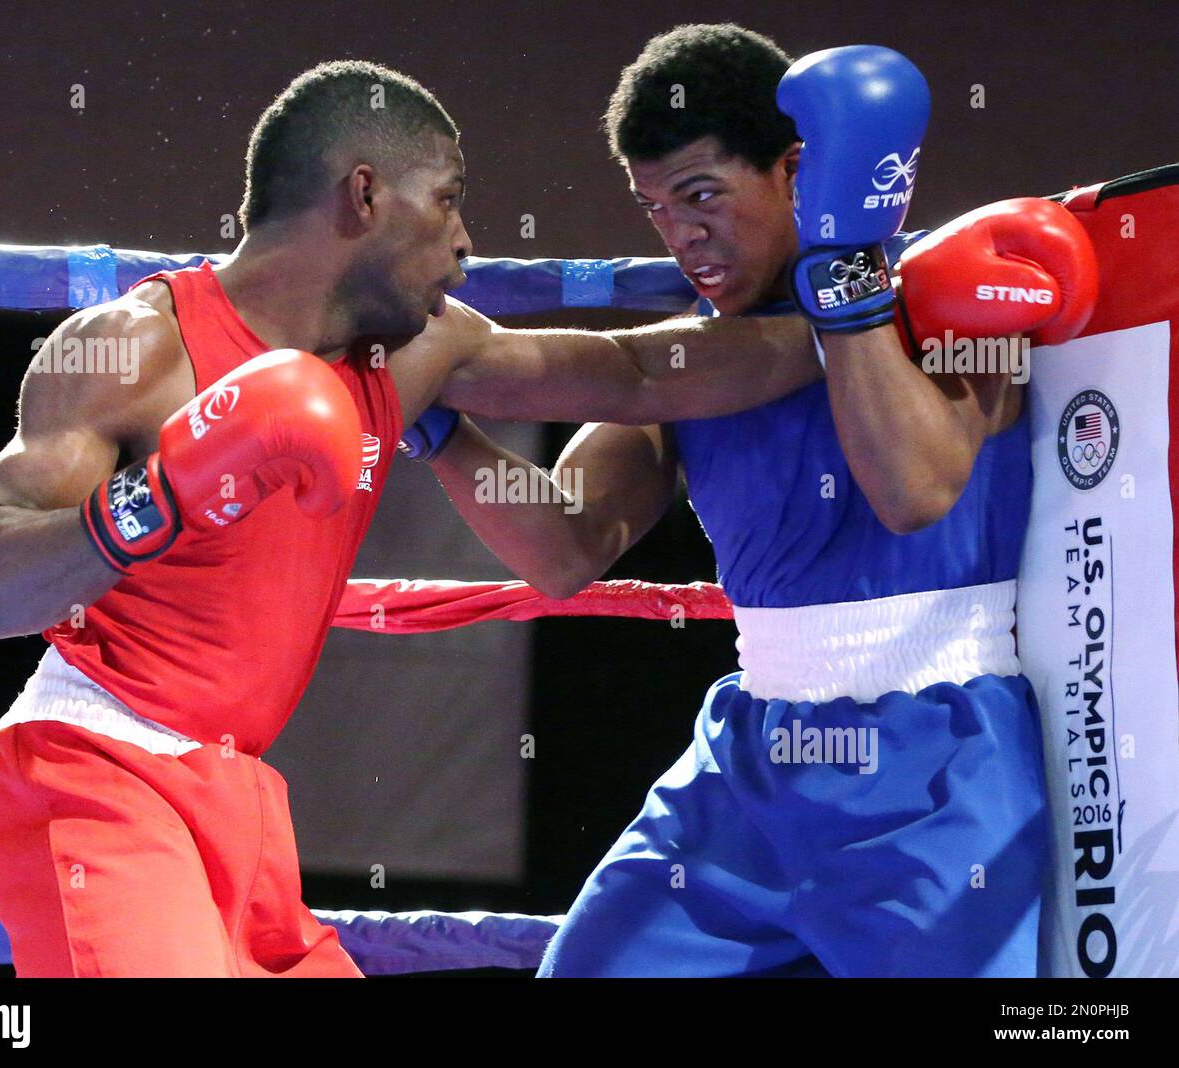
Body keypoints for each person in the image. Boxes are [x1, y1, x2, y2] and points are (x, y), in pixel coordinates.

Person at [0, 58, 913, 978]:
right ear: (364, 196)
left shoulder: (414, 352)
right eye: (445, 199)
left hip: (233, 798)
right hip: (90, 774)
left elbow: (636, 373)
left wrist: (866, 302)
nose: (465, 240)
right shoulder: (138, 349)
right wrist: (167, 492)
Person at [403, 26, 1097, 976]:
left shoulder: (947, 299)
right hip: (753, 764)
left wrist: (847, 281)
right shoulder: (698, 359)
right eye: (655, 209)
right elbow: (562, 549)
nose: (683, 237)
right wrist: (438, 429)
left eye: (702, 196)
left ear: (797, 170)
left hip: (934, 766)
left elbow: (913, 491)